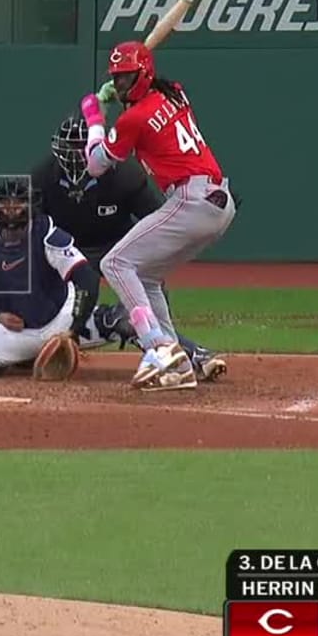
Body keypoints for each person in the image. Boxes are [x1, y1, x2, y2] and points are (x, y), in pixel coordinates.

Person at [80, 40, 237, 391]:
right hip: (217, 201)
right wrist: (125, 91)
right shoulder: (174, 93)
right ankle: (174, 358)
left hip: (192, 199)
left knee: (115, 263)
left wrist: (95, 117)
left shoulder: (133, 118)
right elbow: (155, 95)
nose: (120, 85)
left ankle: (157, 348)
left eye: (125, 78)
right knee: (146, 277)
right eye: (116, 79)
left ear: (144, 74)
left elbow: (95, 166)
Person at [31, 114, 227, 383]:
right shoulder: (43, 178)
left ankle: (188, 354)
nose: (77, 155)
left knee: (137, 306)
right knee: (39, 302)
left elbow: (155, 217)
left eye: (82, 147)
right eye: (70, 147)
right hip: (69, 252)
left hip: (116, 246)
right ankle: (37, 343)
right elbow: (36, 233)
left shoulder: (125, 176)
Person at [0, 178, 111, 379]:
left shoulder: (47, 235)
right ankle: (25, 357)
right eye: (5, 205)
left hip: (63, 320)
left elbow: (88, 280)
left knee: (123, 320)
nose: (11, 211)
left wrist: (73, 330)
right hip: (19, 332)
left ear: (29, 207)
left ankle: (157, 360)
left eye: (18, 205)